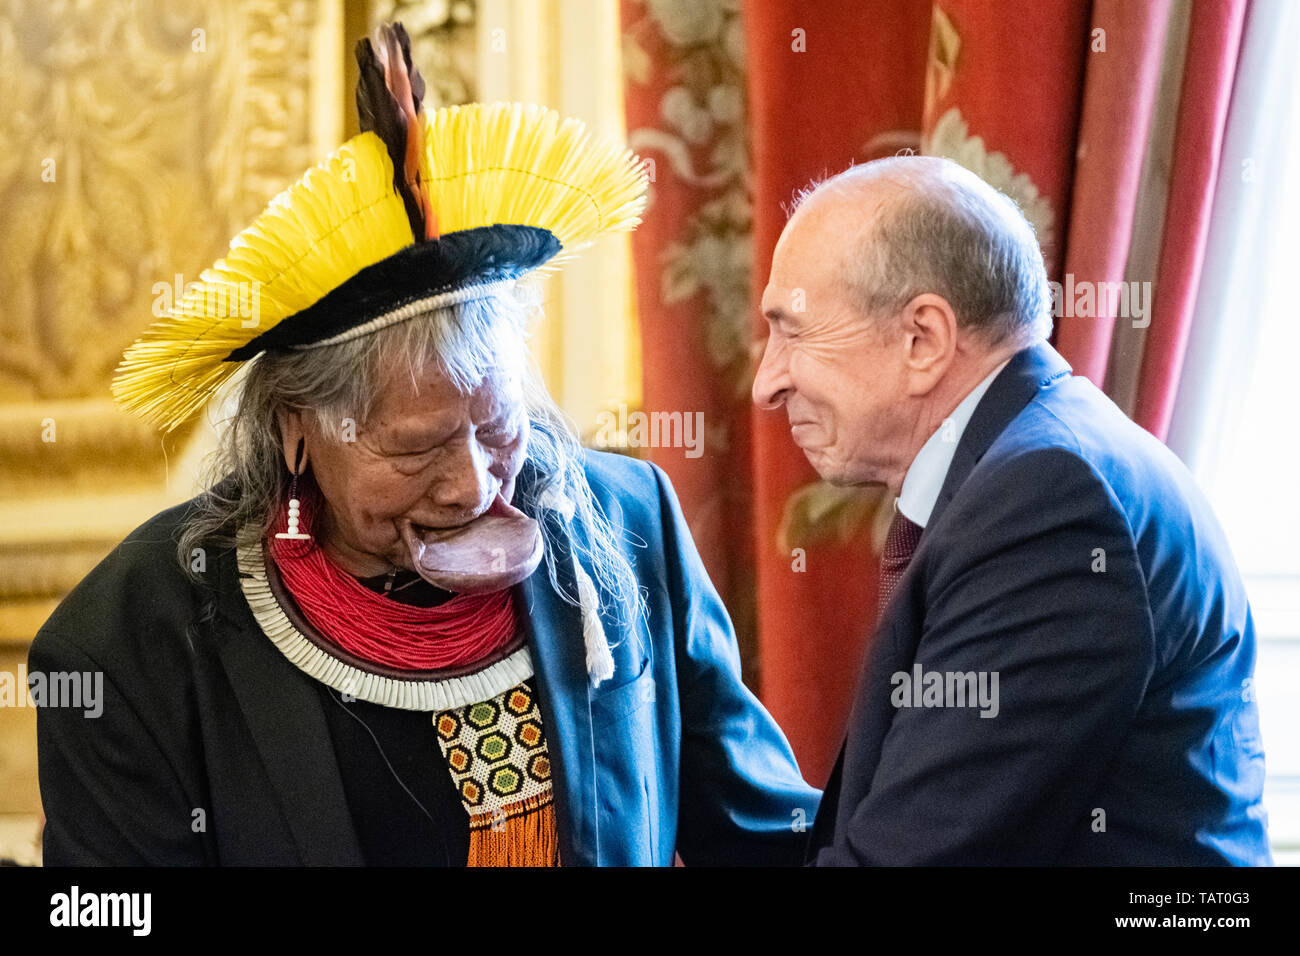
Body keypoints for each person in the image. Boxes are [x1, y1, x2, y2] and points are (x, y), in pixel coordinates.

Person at [30, 22, 818, 866]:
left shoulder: (631, 527)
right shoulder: (133, 641)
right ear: (296, 429)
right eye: (415, 450)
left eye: (496, 427)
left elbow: (768, 841)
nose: (473, 485)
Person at [752, 155, 1271, 865]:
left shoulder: (1051, 503)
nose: (766, 383)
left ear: (923, 340)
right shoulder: (1037, 461)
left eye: (794, 332)